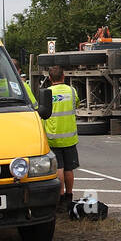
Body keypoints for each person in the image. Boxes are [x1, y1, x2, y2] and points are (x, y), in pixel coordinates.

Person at [43, 65, 79, 206]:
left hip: (53, 137)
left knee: (59, 168)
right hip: (70, 137)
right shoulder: (71, 91)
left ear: (50, 78)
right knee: (69, 169)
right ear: (63, 76)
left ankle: (60, 196)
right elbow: (76, 104)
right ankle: (69, 195)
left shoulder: (47, 93)